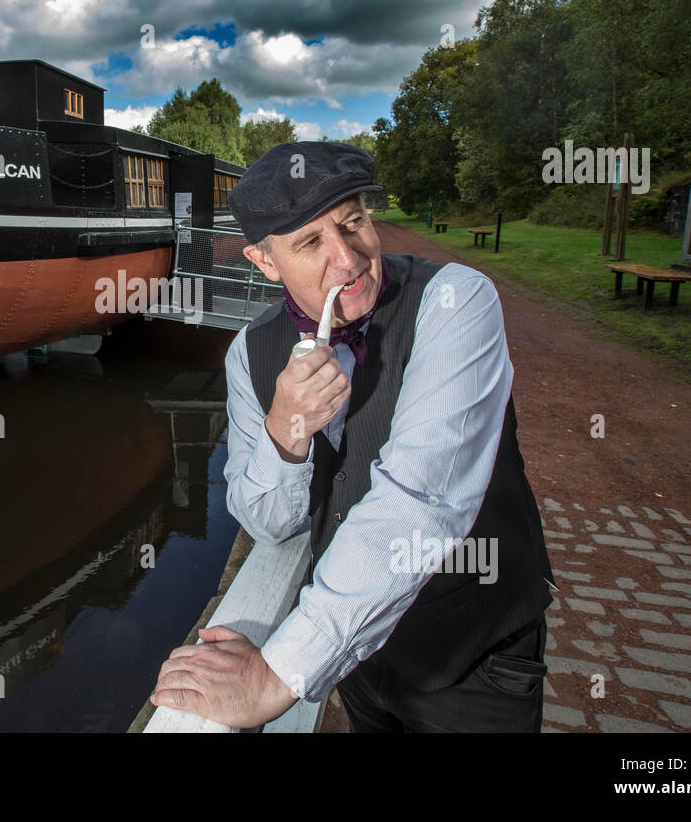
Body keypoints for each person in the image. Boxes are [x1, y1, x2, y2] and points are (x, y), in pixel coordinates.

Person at [150, 142, 556, 731]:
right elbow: (268, 524)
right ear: (265, 262)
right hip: (361, 664)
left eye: (353, 223)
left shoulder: (455, 300)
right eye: (310, 243)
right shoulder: (250, 352)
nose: (348, 260)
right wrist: (286, 428)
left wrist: (277, 675)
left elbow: (420, 502)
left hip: (477, 658)